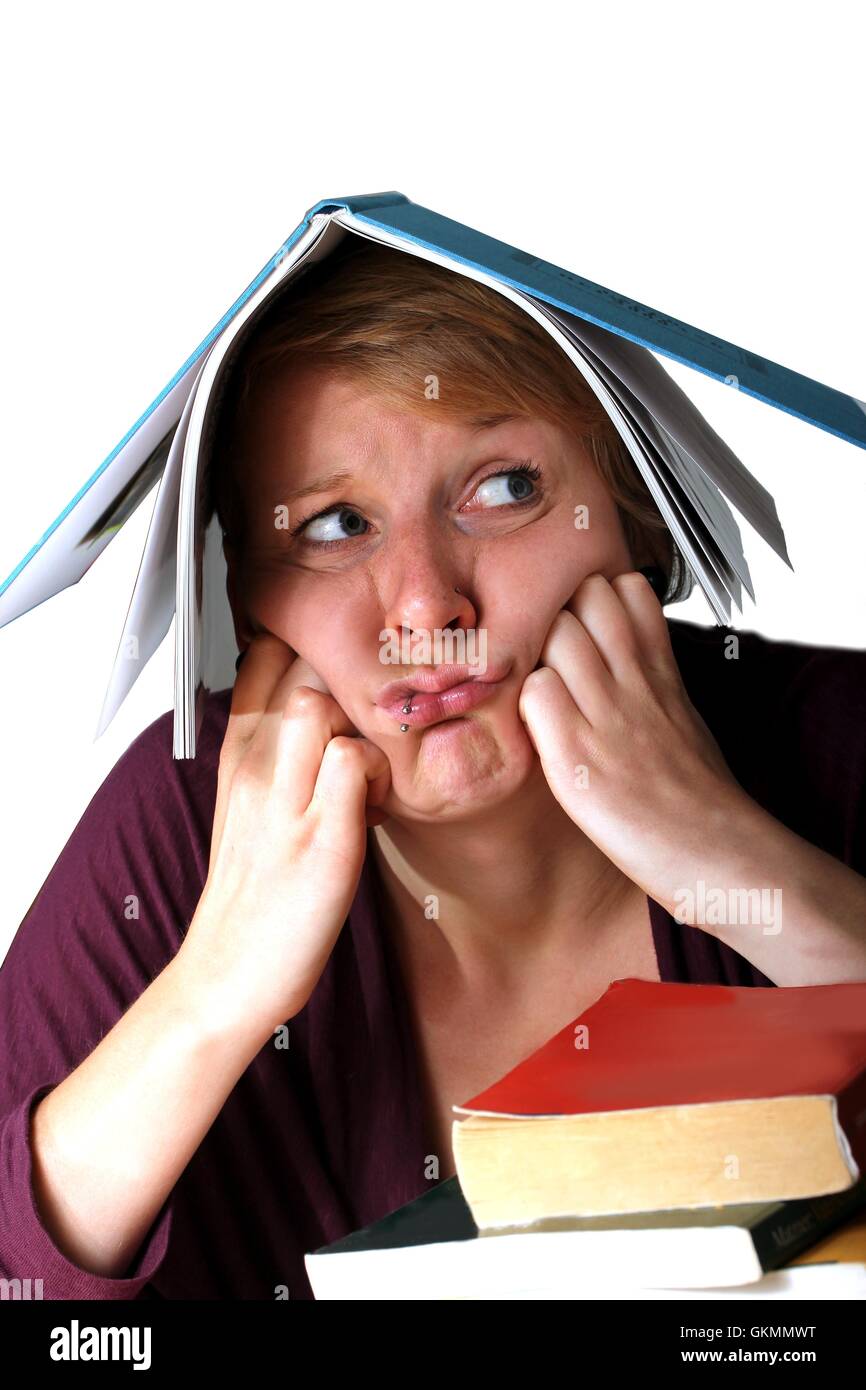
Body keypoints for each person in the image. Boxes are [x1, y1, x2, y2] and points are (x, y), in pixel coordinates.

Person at [2, 238, 865, 1301]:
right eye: (333, 525)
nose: (423, 607)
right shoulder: (182, 824)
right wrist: (214, 989)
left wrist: (730, 858)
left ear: (635, 511)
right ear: (246, 599)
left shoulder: (831, 741)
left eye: (503, 488)